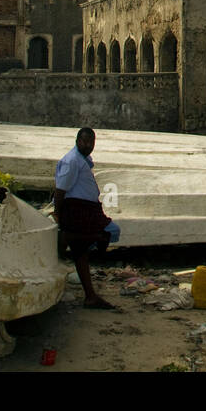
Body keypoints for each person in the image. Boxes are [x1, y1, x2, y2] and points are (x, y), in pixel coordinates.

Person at [53, 127, 120, 310]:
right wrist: (58, 214)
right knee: (110, 232)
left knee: (80, 254)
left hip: (86, 208)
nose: (88, 145)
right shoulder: (72, 161)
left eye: (91, 142)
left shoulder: (83, 160)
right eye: (85, 142)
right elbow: (60, 190)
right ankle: (67, 237)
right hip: (77, 209)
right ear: (77, 141)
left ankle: (90, 296)